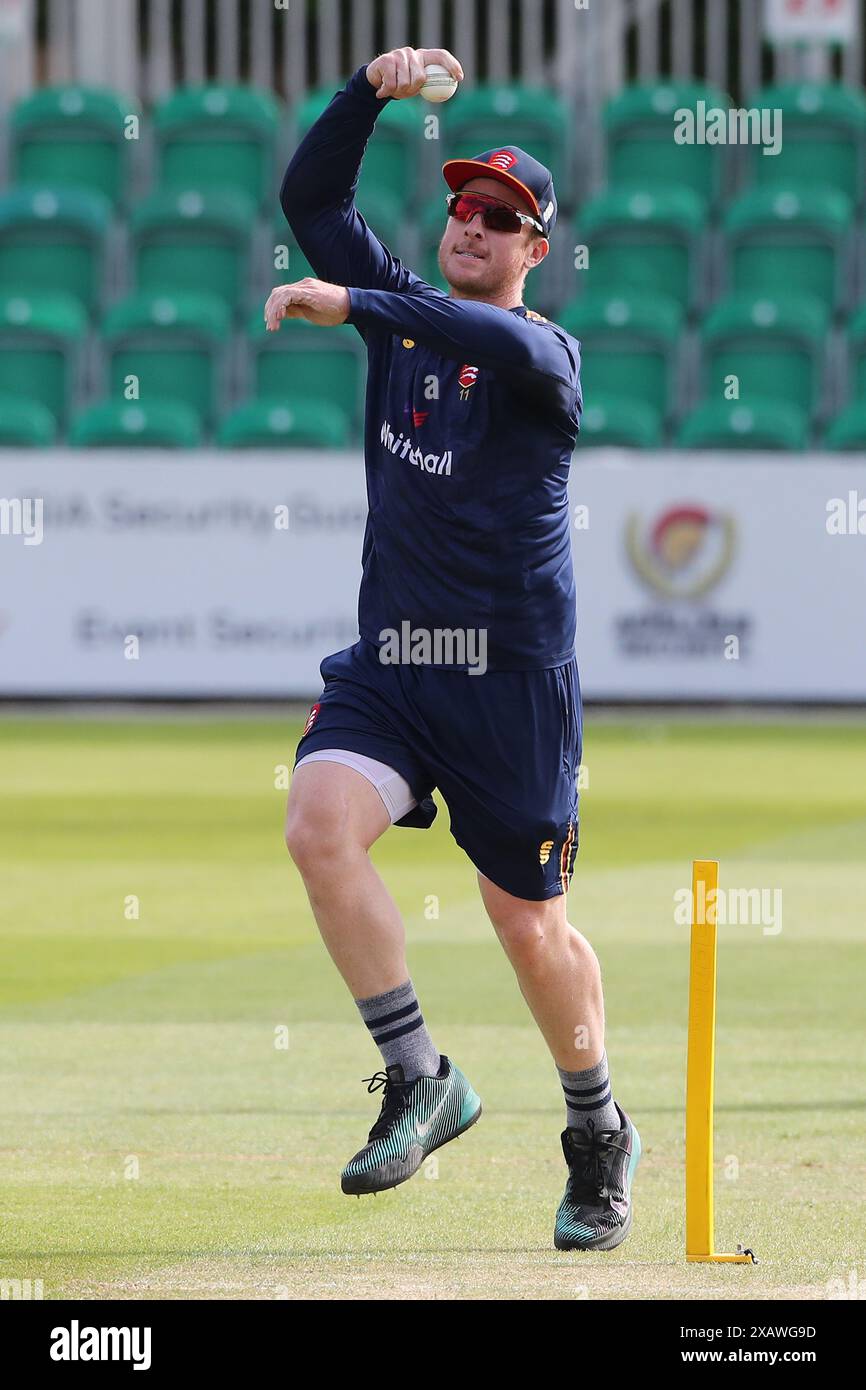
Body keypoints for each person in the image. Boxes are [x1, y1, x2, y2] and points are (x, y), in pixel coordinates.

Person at [268, 46, 640, 1251]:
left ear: (535, 251)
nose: (472, 225)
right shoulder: (408, 321)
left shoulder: (546, 357)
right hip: (396, 664)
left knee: (527, 924)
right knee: (316, 824)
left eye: (502, 218)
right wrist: (366, 93)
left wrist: (355, 303)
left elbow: (505, 349)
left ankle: (595, 1131)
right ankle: (420, 1074)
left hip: (510, 685)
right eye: (462, 208)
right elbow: (310, 206)